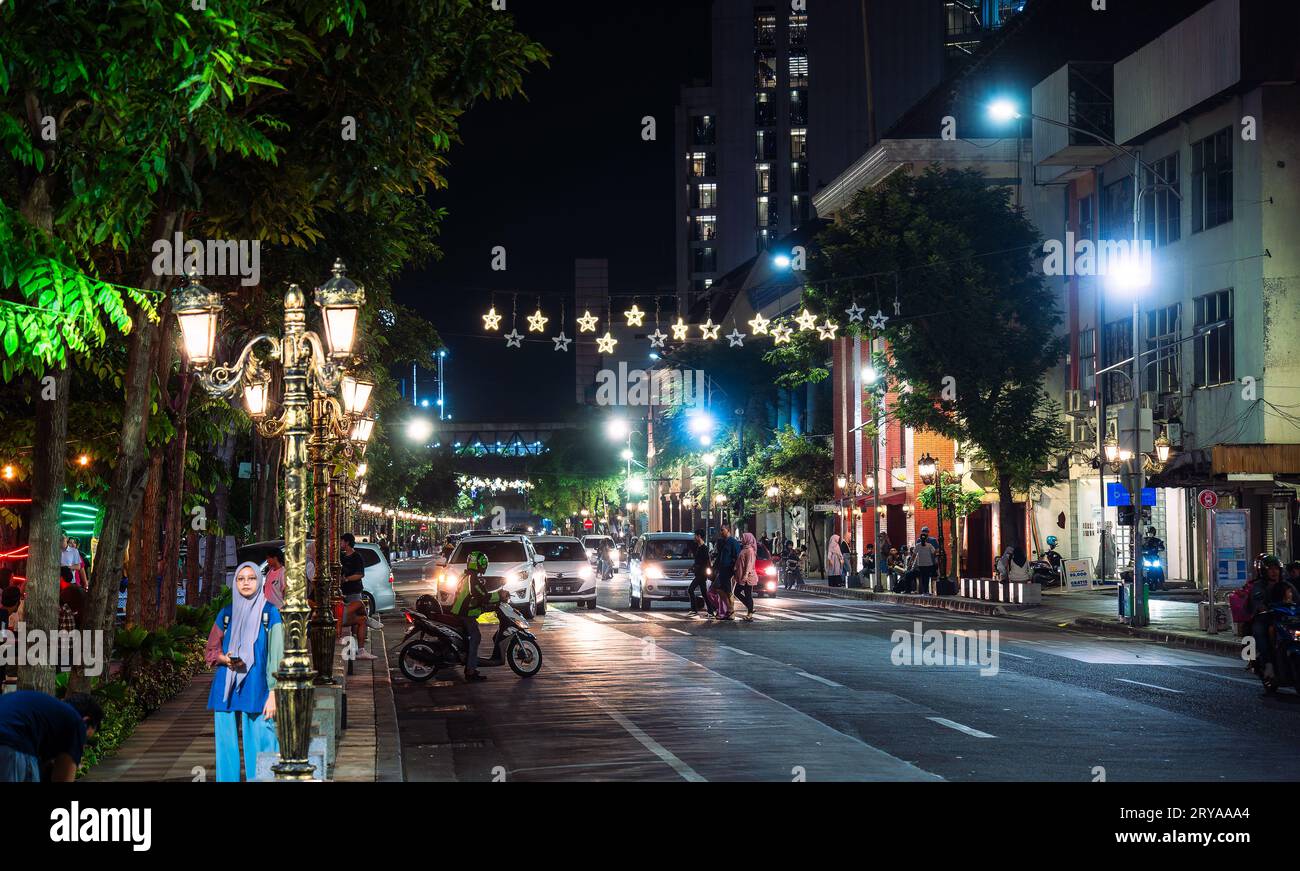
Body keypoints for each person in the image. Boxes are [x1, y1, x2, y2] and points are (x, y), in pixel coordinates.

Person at [205, 561, 282, 782]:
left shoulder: (270, 613)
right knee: (225, 748)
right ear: (235, 582)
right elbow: (211, 649)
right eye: (241, 578)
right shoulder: (227, 614)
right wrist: (224, 659)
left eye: (251, 578)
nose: (246, 583)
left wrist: (274, 694)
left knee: (261, 744)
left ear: (260, 581)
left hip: (259, 687)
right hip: (225, 687)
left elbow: (276, 657)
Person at [0, 690, 102, 782]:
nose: (82, 745)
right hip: (11, 745)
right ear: (86, 721)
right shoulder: (76, 721)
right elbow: (63, 778)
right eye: (85, 739)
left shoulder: (47, 712)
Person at [448, 550, 508, 681]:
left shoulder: (467, 576)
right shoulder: (472, 579)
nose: (485, 566)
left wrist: (489, 602)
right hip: (465, 614)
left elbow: (478, 596)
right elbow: (480, 594)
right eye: (483, 564)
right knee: (475, 637)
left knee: (473, 638)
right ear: (479, 564)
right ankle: (470, 671)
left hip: (463, 612)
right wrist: (499, 595)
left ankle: (469, 663)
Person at [1249, 555, 1300, 680]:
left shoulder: (1287, 585)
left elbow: (1297, 599)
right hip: (1268, 618)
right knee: (1260, 630)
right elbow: (1257, 601)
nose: (1274, 572)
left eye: (1276, 569)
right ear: (1264, 571)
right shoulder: (1259, 586)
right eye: (1270, 569)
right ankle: (1268, 663)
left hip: (1287, 619)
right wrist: (1263, 608)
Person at [338, 533, 379, 661]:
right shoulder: (340, 556)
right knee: (359, 616)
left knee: (358, 614)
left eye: (341, 542)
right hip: (341, 593)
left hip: (353, 590)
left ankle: (359, 646)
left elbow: (360, 574)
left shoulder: (357, 557)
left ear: (347, 543)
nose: (340, 544)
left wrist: (346, 579)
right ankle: (367, 620)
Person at [710, 524, 741, 620]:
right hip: (721, 569)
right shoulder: (722, 542)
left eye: (723, 530)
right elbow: (719, 556)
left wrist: (735, 569)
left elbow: (737, 556)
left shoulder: (733, 542)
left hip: (729, 570)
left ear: (728, 530)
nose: (721, 532)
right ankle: (729, 610)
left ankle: (731, 611)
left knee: (727, 591)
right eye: (721, 530)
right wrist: (714, 567)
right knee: (718, 588)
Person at [687, 529, 712, 617]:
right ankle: (711, 611)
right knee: (704, 593)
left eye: (695, 535)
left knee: (690, 589)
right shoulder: (699, 547)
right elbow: (697, 562)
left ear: (699, 536)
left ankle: (694, 610)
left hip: (701, 574)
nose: (694, 537)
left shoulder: (704, 548)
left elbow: (705, 562)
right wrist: (690, 569)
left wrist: (698, 570)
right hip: (700, 573)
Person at [734, 532, 759, 621]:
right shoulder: (744, 548)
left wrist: (746, 574)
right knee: (738, 592)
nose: (741, 539)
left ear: (747, 539)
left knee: (747, 594)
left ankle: (750, 613)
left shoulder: (750, 550)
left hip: (748, 577)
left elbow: (749, 564)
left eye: (743, 538)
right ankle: (750, 608)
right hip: (743, 576)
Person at [912, 527, 939, 595]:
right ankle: (927, 590)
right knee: (928, 577)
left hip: (923, 562)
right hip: (929, 562)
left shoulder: (920, 542)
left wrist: (912, 563)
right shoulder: (930, 542)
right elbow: (936, 551)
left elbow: (914, 554)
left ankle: (926, 590)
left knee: (925, 577)